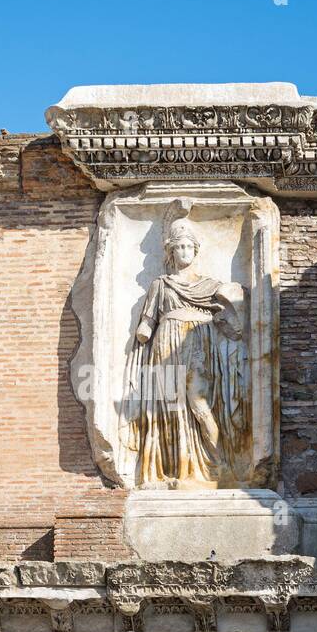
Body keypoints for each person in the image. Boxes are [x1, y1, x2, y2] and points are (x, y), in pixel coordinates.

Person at [121, 202, 249, 488]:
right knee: (169, 408)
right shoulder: (161, 285)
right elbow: (145, 326)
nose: (183, 252)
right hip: (165, 343)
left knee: (200, 403)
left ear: (195, 250)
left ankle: (219, 466)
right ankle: (179, 470)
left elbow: (233, 315)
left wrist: (227, 319)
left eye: (188, 247)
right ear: (170, 252)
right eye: (178, 248)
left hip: (199, 344)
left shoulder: (209, 286)